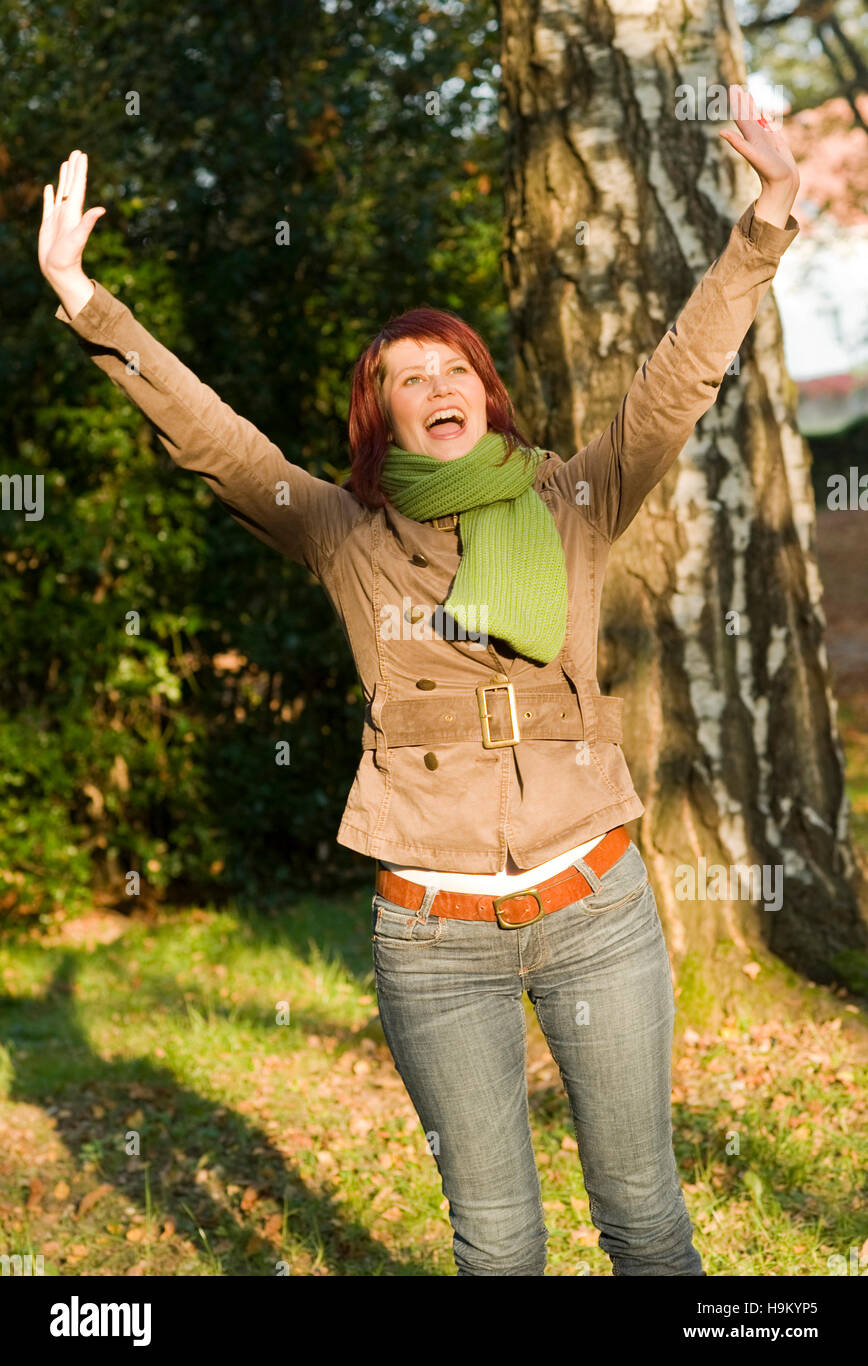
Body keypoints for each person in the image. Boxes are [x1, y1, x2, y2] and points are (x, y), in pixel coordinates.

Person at [39, 84, 799, 1276]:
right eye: (406, 375)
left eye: (454, 366)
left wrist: (764, 221)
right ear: (381, 412)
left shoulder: (572, 500)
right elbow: (218, 444)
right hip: (433, 936)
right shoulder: (345, 534)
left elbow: (673, 383)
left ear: (482, 392)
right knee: (496, 1246)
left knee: (646, 1222)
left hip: (597, 911)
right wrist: (92, 307)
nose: (435, 384)